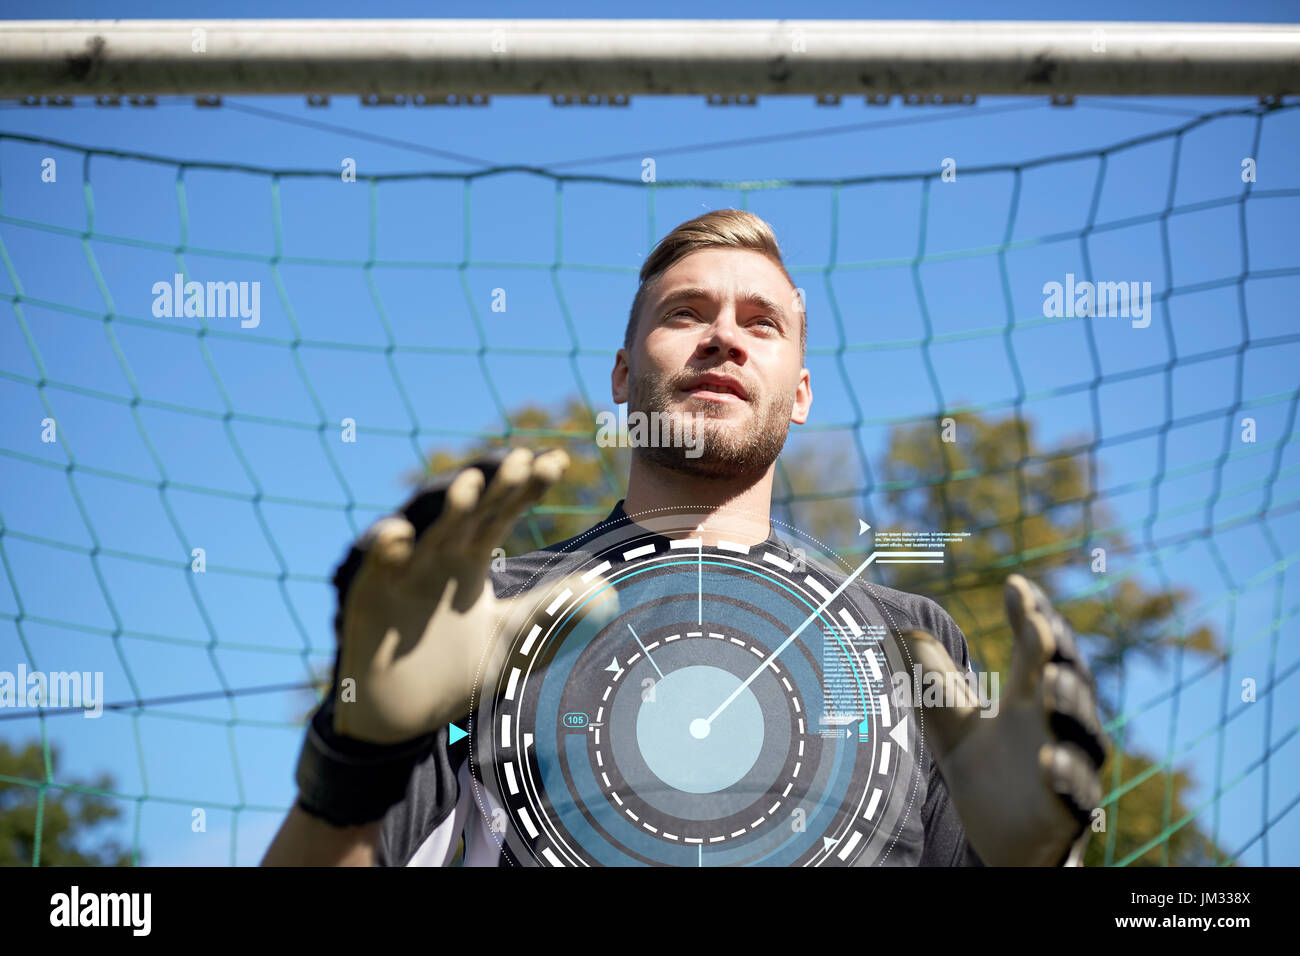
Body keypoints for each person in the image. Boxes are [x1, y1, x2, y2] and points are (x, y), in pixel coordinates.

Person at [262, 209, 1106, 867]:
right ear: (624, 374)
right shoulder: (492, 617)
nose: (724, 336)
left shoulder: (906, 641)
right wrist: (355, 760)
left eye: (761, 322)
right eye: (686, 312)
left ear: (801, 391)